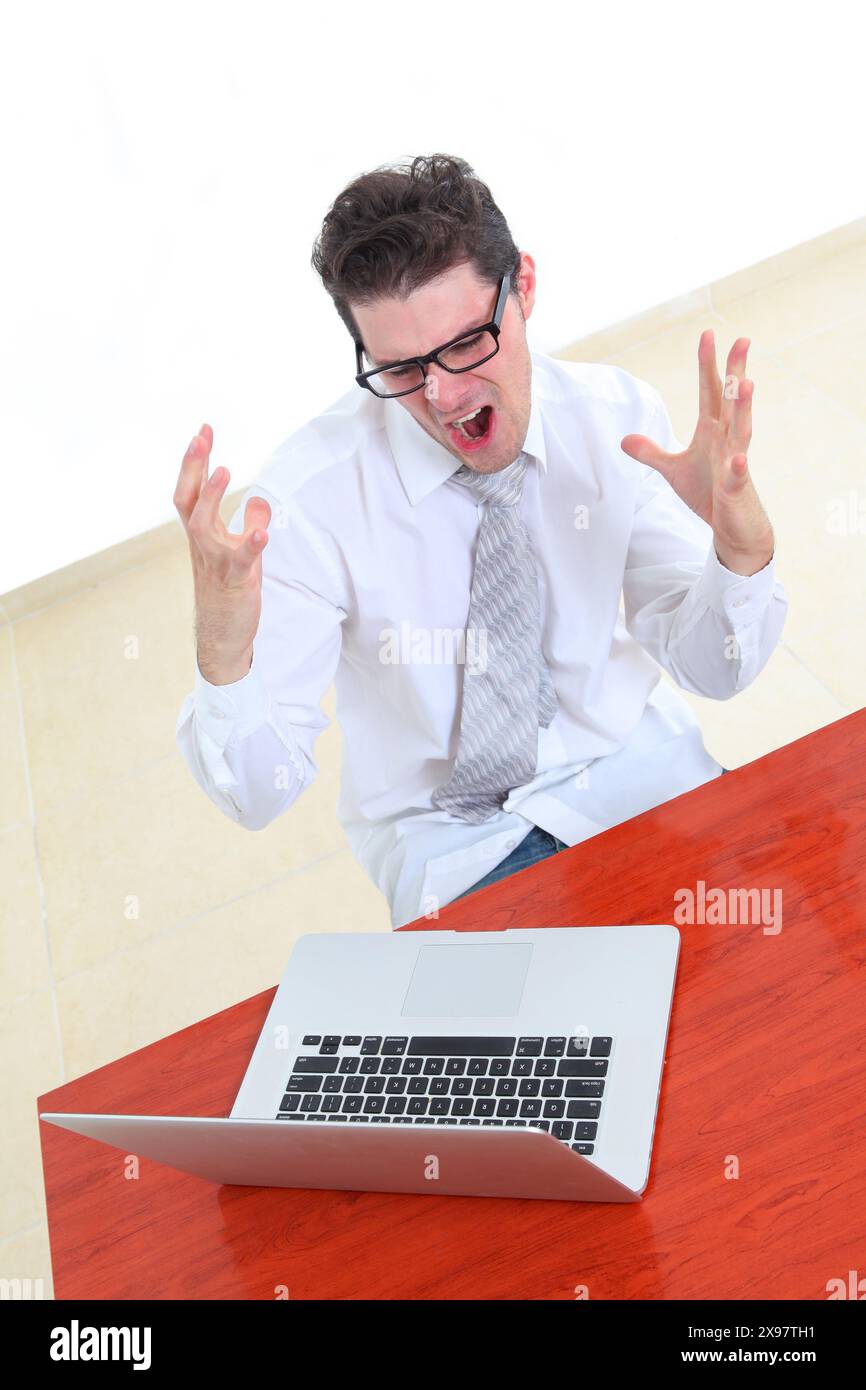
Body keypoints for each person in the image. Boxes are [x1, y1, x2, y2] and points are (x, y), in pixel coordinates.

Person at [174, 153, 788, 928]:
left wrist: (739, 548)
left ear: (523, 289)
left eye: (468, 343)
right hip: (456, 847)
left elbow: (716, 671)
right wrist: (223, 657)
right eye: (400, 368)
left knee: (783, 981)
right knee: (534, 1047)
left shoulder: (614, 419)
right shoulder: (305, 503)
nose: (444, 396)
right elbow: (256, 798)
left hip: (638, 779)